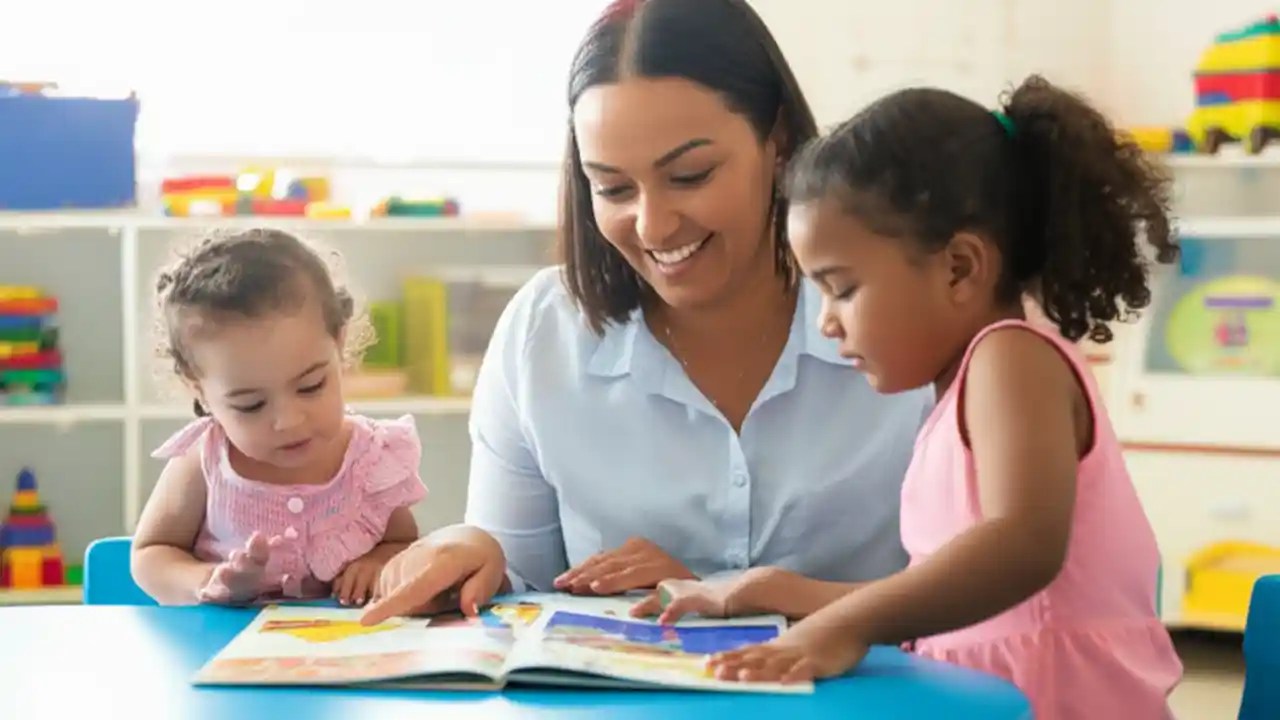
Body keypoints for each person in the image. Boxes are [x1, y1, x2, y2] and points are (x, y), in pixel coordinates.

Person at [359, 0, 932, 625]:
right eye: (612, 188)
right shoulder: (543, 334)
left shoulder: (914, 316)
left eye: (690, 175)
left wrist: (741, 596)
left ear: (779, 142)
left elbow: (1002, 590)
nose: (653, 226)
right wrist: (473, 551)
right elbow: (515, 595)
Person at [650, 76, 1186, 717]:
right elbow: (958, 594)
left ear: (959, 267)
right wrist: (785, 591)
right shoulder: (967, 386)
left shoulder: (1010, 359)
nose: (827, 321)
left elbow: (1021, 545)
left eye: (842, 288)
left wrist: (845, 625)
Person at [131, 228, 428, 607]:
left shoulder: (370, 461)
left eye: (310, 386)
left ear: (338, 341)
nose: (288, 421)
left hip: (340, 657)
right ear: (199, 390)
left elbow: (402, 542)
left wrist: (381, 561)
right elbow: (151, 553)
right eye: (251, 405)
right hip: (220, 655)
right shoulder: (205, 461)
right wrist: (205, 581)